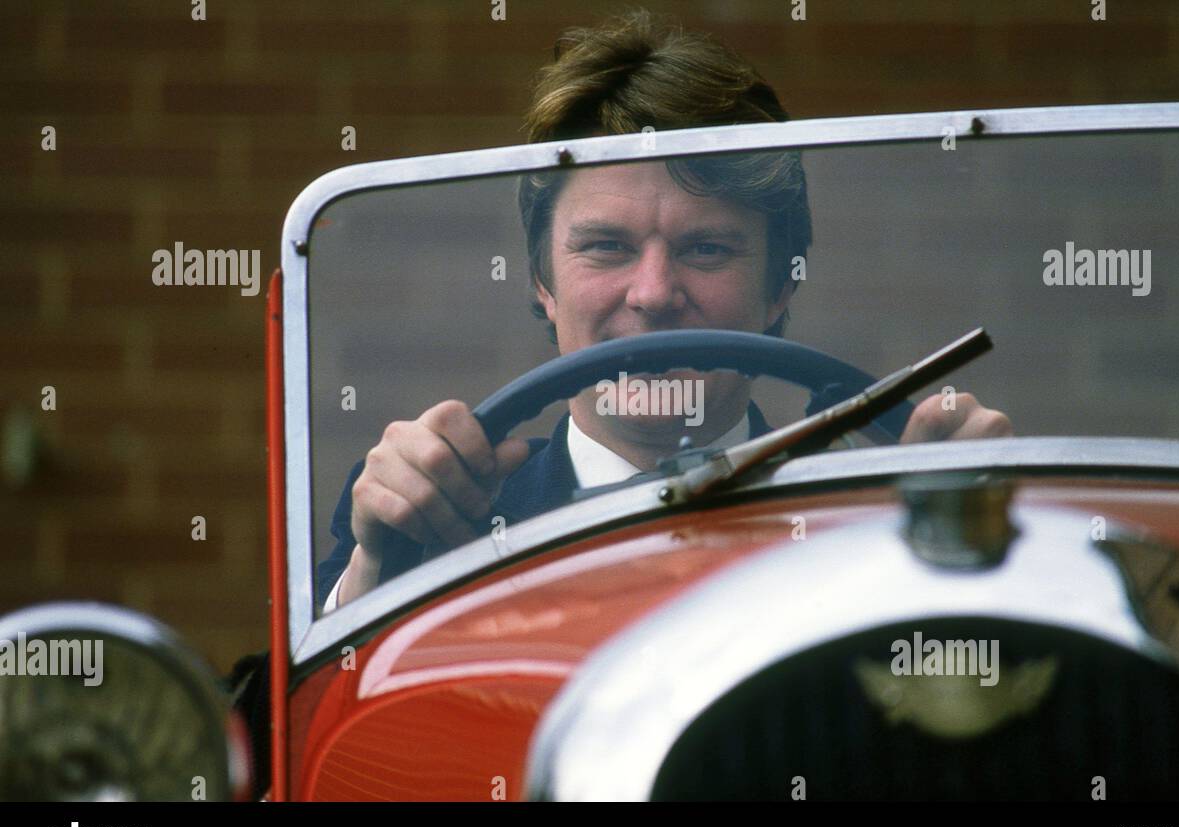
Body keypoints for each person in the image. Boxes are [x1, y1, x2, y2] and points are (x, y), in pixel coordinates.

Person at [316, 10, 1011, 612]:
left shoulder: (875, 515)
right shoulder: (437, 513)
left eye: (706, 249)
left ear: (780, 287)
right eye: (607, 247)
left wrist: (984, 541)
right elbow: (293, 736)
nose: (652, 294)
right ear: (541, 282)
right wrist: (377, 571)